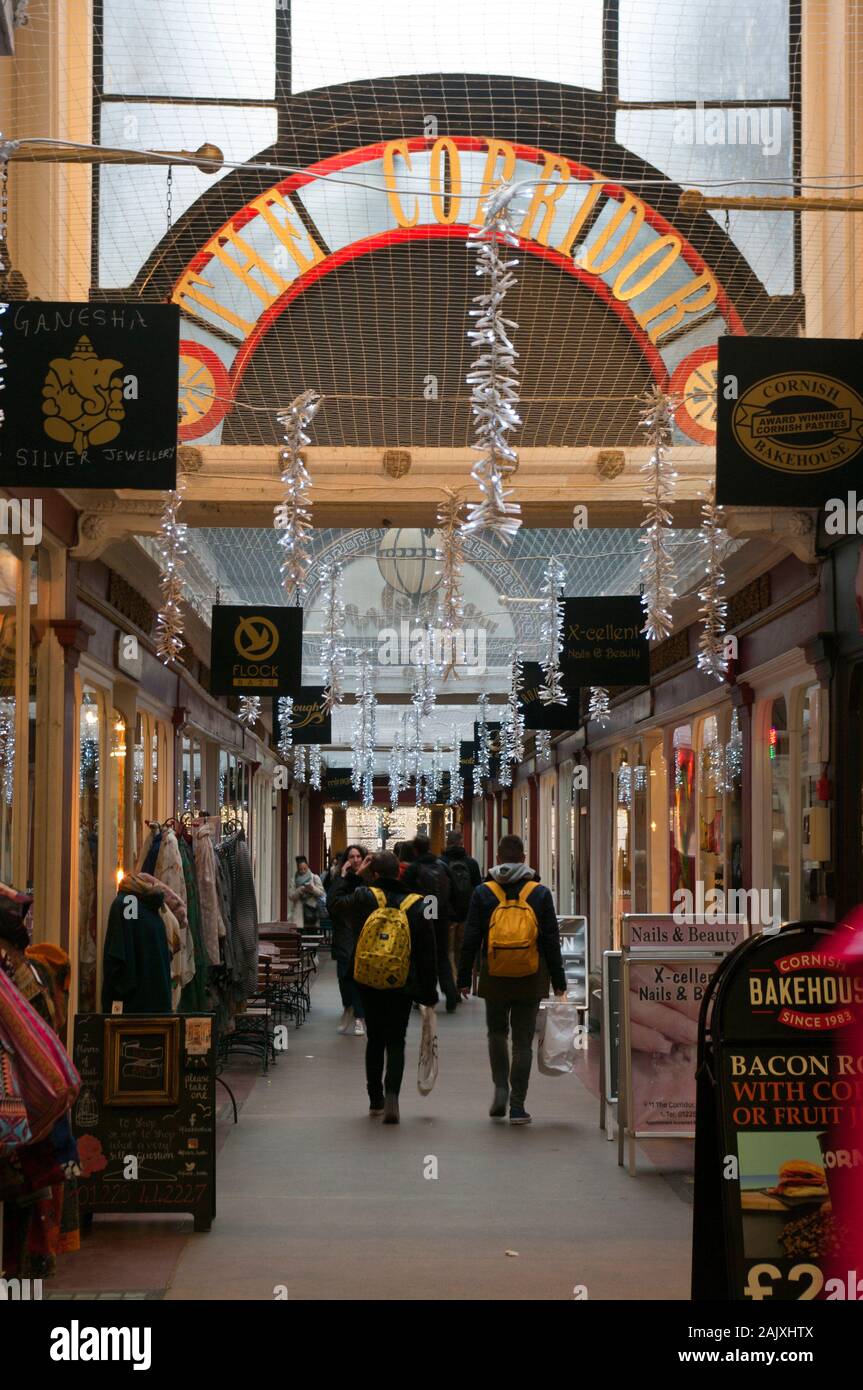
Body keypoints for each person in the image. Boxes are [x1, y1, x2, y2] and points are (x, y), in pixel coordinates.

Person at [457, 833, 567, 1125]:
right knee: (522, 1041)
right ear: (523, 857)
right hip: (531, 974)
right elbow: (551, 941)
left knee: (496, 1032)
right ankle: (518, 1106)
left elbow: (470, 938)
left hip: (494, 973)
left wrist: (463, 976)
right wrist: (559, 981)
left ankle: (501, 1087)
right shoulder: (539, 893)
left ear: (497, 859)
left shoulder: (484, 892)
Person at [328, 849, 437, 1123]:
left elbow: (334, 905)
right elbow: (427, 951)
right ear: (398, 871)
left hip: (367, 977)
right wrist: (429, 991)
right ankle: (392, 1097)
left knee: (375, 1038)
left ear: (372, 872)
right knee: (396, 1040)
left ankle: (374, 1099)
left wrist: (351, 875)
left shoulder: (365, 897)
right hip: (402, 981)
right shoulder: (417, 904)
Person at [403, 833, 459, 1012]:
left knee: (420, 956)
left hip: (421, 916)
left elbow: (405, 893)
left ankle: (421, 995)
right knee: (441, 955)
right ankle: (451, 993)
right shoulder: (442, 865)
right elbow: (455, 890)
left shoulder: (414, 869)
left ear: (415, 849)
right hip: (441, 915)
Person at [326, 844, 368, 1035]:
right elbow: (330, 903)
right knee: (344, 977)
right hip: (344, 934)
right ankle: (348, 1008)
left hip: (364, 935)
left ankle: (359, 1017)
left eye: (359, 856)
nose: (355, 859)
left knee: (358, 979)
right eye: (351, 856)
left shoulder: (368, 879)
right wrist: (342, 877)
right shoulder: (339, 879)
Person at [442, 827, 481, 980]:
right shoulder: (471, 863)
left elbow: (435, 893)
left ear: (447, 842)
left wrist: (430, 914)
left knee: (449, 951)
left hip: (448, 914)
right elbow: (478, 889)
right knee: (463, 949)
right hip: (467, 914)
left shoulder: (441, 862)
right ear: (461, 843)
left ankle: (452, 981)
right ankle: (462, 982)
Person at [289, 855, 326, 934]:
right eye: (300, 869)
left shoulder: (314, 877)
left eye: (304, 869)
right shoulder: (293, 880)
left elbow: (321, 893)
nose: (302, 871)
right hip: (299, 916)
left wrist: (312, 889)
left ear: (307, 866)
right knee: (300, 940)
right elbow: (291, 896)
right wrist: (299, 890)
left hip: (312, 913)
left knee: (312, 939)